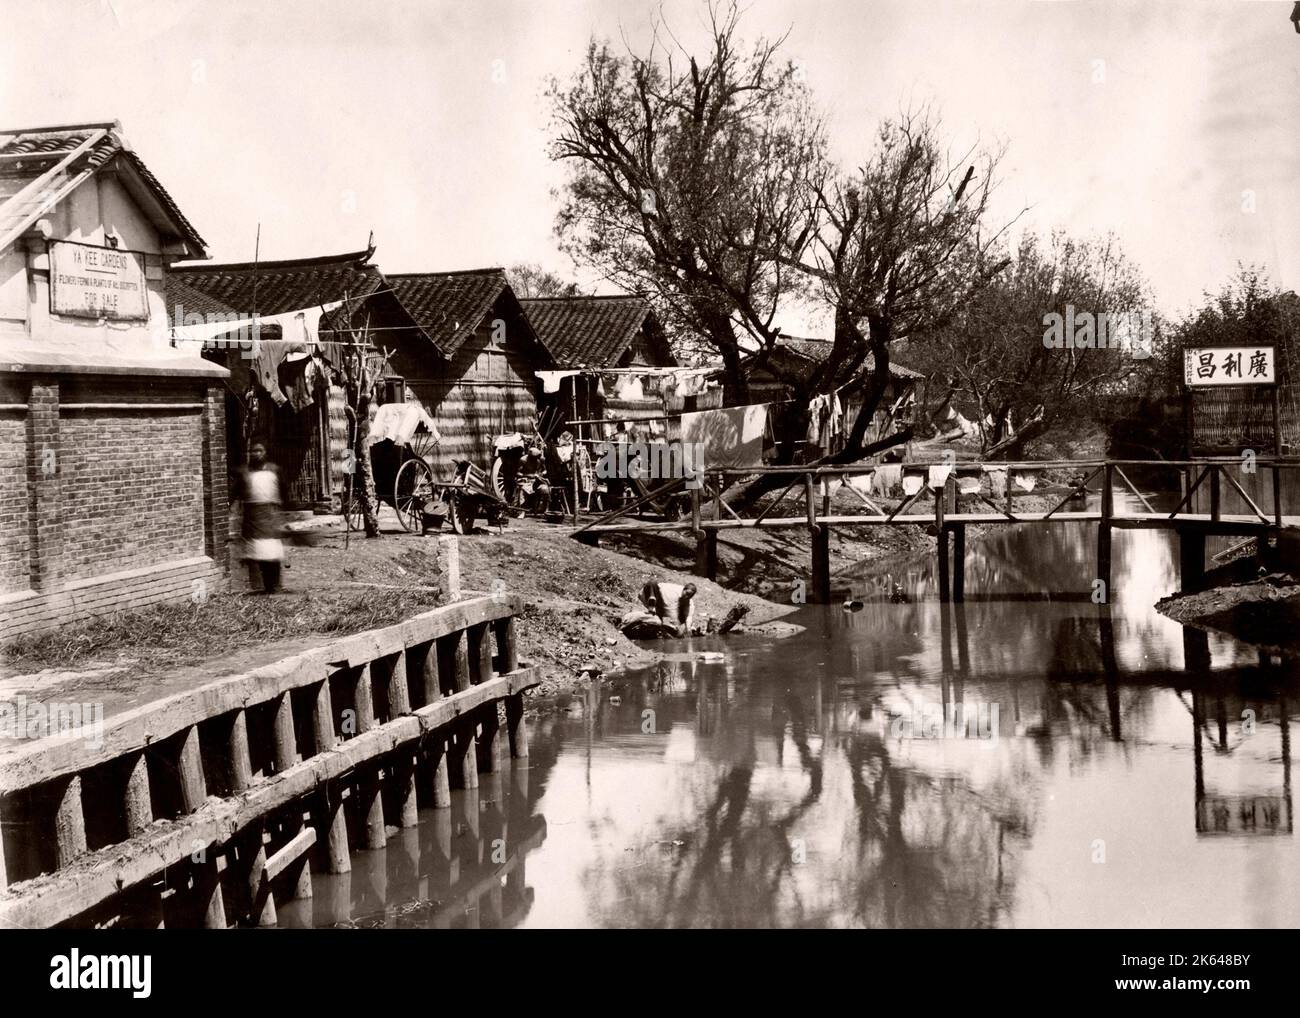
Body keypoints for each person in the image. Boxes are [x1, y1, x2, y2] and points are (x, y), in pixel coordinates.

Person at [235, 438, 285, 593]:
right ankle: (258, 585)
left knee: (272, 551)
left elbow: (284, 490)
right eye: (253, 451)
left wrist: (281, 508)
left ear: (265, 453)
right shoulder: (245, 473)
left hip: (270, 516)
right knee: (256, 552)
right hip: (252, 518)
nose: (256, 454)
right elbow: (236, 491)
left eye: (259, 451)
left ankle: (274, 584)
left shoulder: (274, 470)